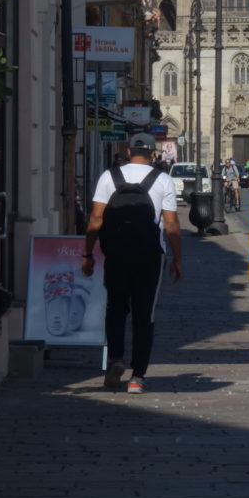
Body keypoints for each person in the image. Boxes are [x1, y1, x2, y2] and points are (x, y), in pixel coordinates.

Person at [81, 134, 182, 395]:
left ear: (128, 152)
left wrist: (87, 254)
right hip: (150, 255)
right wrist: (177, 259)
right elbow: (171, 224)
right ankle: (137, 377)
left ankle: (116, 358)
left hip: (116, 254)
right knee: (144, 315)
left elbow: (96, 219)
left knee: (115, 307)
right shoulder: (162, 179)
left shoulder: (109, 177)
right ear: (153, 154)